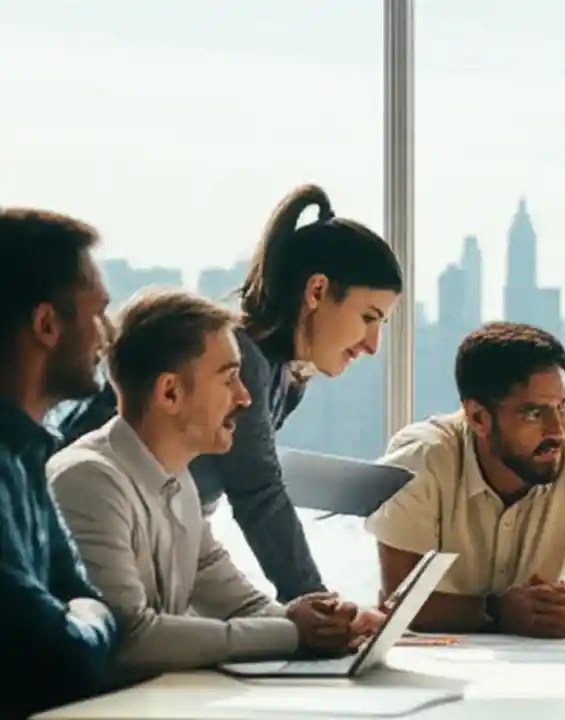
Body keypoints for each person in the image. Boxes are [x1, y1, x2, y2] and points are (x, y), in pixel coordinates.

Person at [59, 184, 403, 602]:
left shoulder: (282, 376)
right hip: (84, 563)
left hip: (161, 564)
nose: (372, 344)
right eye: (369, 317)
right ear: (316, 292)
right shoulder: (245, 360)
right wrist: (318, 604)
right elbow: (258, 496)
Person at [48, 288, 382, 680]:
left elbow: (241, 605)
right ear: (170, 392)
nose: (244, 398)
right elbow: (130, 638)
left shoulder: (177, 482)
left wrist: (324, 625)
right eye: (229, 380)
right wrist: (291, 633)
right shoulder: (88, 480)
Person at [367, 322, 565, 639]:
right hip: (436, 663)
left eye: (562, 405)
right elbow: (398, 602)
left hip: (543, 666)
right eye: (533, 413)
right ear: (479, 418)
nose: (557, 429)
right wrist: (497, 612)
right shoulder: (419, 461)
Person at [0, 208, 118, 717]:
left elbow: (81, 598)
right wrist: (85, 615)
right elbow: (61, 655)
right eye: (98, 312)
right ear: (47, 324)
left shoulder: (27, 452)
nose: (107, 334)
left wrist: (83, 613)